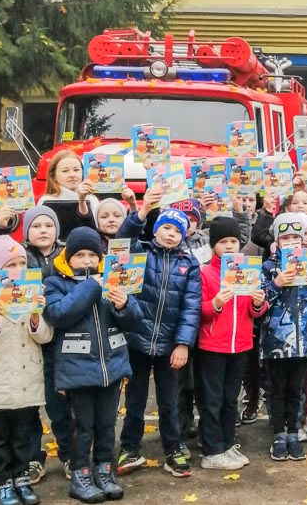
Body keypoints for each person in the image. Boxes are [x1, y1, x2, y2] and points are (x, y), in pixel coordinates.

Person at [44, 227, 142, 503]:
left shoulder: (112, 280)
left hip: (111, 367)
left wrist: (124, 305)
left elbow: (135, 319)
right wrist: (91, 286)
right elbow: (59, 314)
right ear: (68, 258)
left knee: (107, 424)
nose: (87, 260)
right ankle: (80, 474)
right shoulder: (55, 283)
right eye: (80, 255)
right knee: (82, 426)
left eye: (92, 255)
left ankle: (104, 470)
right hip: (77, 371)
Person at [115, 192, 201, 479]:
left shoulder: (189, 265)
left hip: (168, 346)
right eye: (166, 227)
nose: (171, 234)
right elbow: (121, 241)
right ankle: (129, 447)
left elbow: (191, 308)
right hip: (137, 340)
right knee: (135, 399)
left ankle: (173, 449)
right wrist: (142, 211)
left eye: (177, 231)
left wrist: (183, 344)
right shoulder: (140, 252)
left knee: (169, 401)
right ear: (155, 229)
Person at [0, 236, 52, 505]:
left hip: (28, 377)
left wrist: (36, 316)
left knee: (24, 436)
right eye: (9, 265)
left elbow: (45, 337)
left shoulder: (34, 292)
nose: (16, 269)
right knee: (0, 438)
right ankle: (3, 482)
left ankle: (22, 480)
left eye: (21, 263)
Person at [196, 217, 268, 470]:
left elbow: (254, 311)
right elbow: (198, 310)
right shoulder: (205, 272)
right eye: (223, 241)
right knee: (212, 399)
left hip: (240, 345)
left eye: (234, 241)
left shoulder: (247, 271)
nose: (229, 246)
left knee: (230, 399)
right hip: (213, 345)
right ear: (213, 244)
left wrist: (258, 302)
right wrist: (216, 304)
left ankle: (226, 444)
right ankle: (211, 449)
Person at [259, 212, 307, 462]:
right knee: (276, 390)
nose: (290, 242)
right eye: (285, 237)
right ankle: (278, 433)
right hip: (275, 341)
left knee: (296, 389)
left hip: (305, 338)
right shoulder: (267, 267)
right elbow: (260, 302)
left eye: (295, 238)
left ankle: (293, 432)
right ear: (277, 241)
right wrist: (277, 283)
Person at [38, 150, 101, 241]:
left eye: (76, 170)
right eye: (65, 171)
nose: (72, 175)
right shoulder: (46, 201)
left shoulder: (92, 199)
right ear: (54, 176)